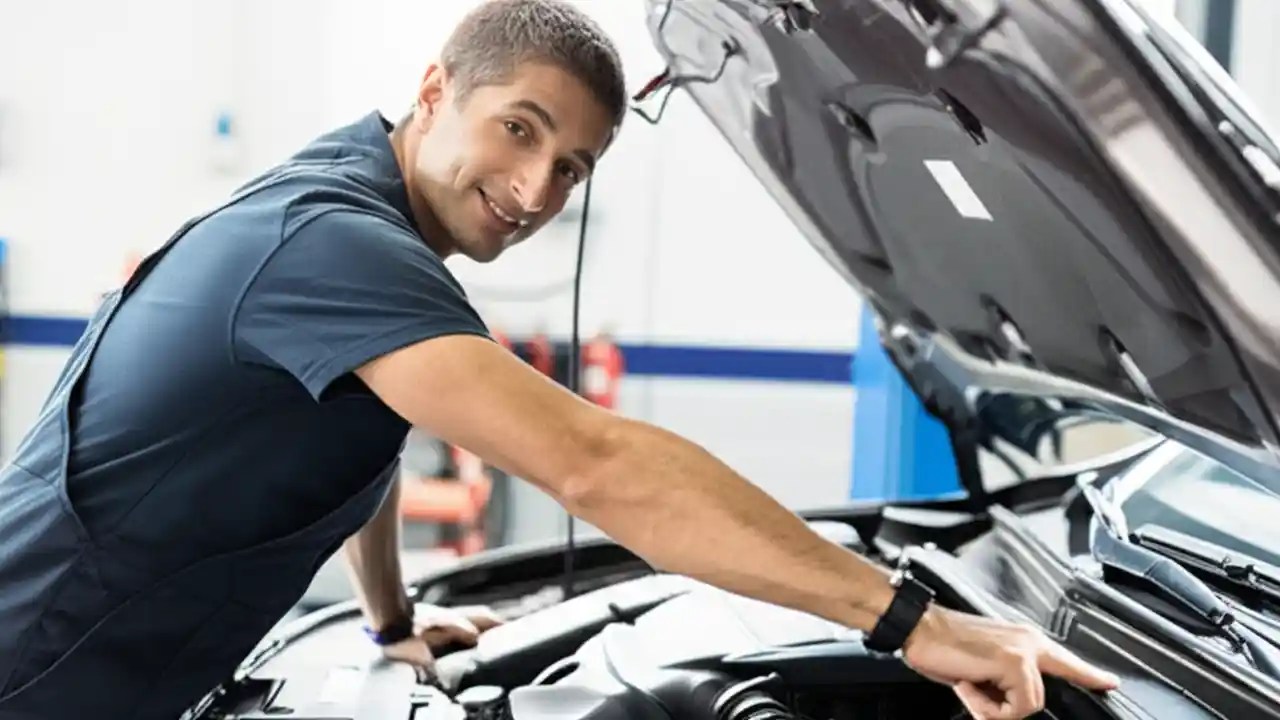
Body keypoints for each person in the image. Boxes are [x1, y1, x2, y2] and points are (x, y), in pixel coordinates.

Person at [0, 1, 1119, 719]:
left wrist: (391, 625)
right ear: (436, 89)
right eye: (520, 129)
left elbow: (341, 434)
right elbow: (599, 467)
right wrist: (915, 624)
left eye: (572, 167)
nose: (537, 194)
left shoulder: (337, 210)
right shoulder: (335, 245)